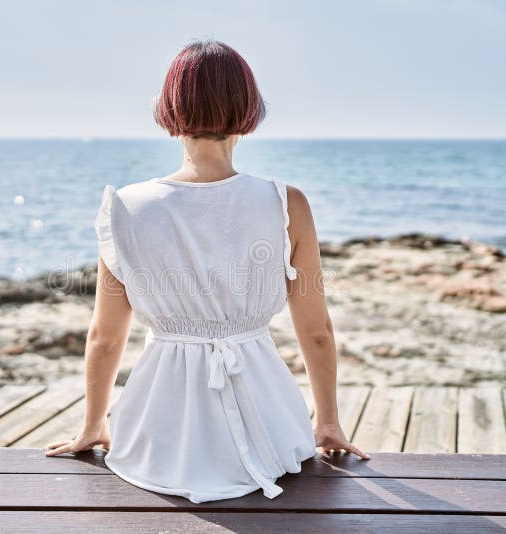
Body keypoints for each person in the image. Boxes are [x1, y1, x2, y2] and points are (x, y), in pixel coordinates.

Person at [45, 38, 369, 504]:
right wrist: (329, 423)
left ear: (170, 106)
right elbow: (315, 329)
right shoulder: (285, 203)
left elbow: (105, 337)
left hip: (157, 443)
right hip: (272, 434)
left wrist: (94, 425)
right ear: (248, 107)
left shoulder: (126, 208)